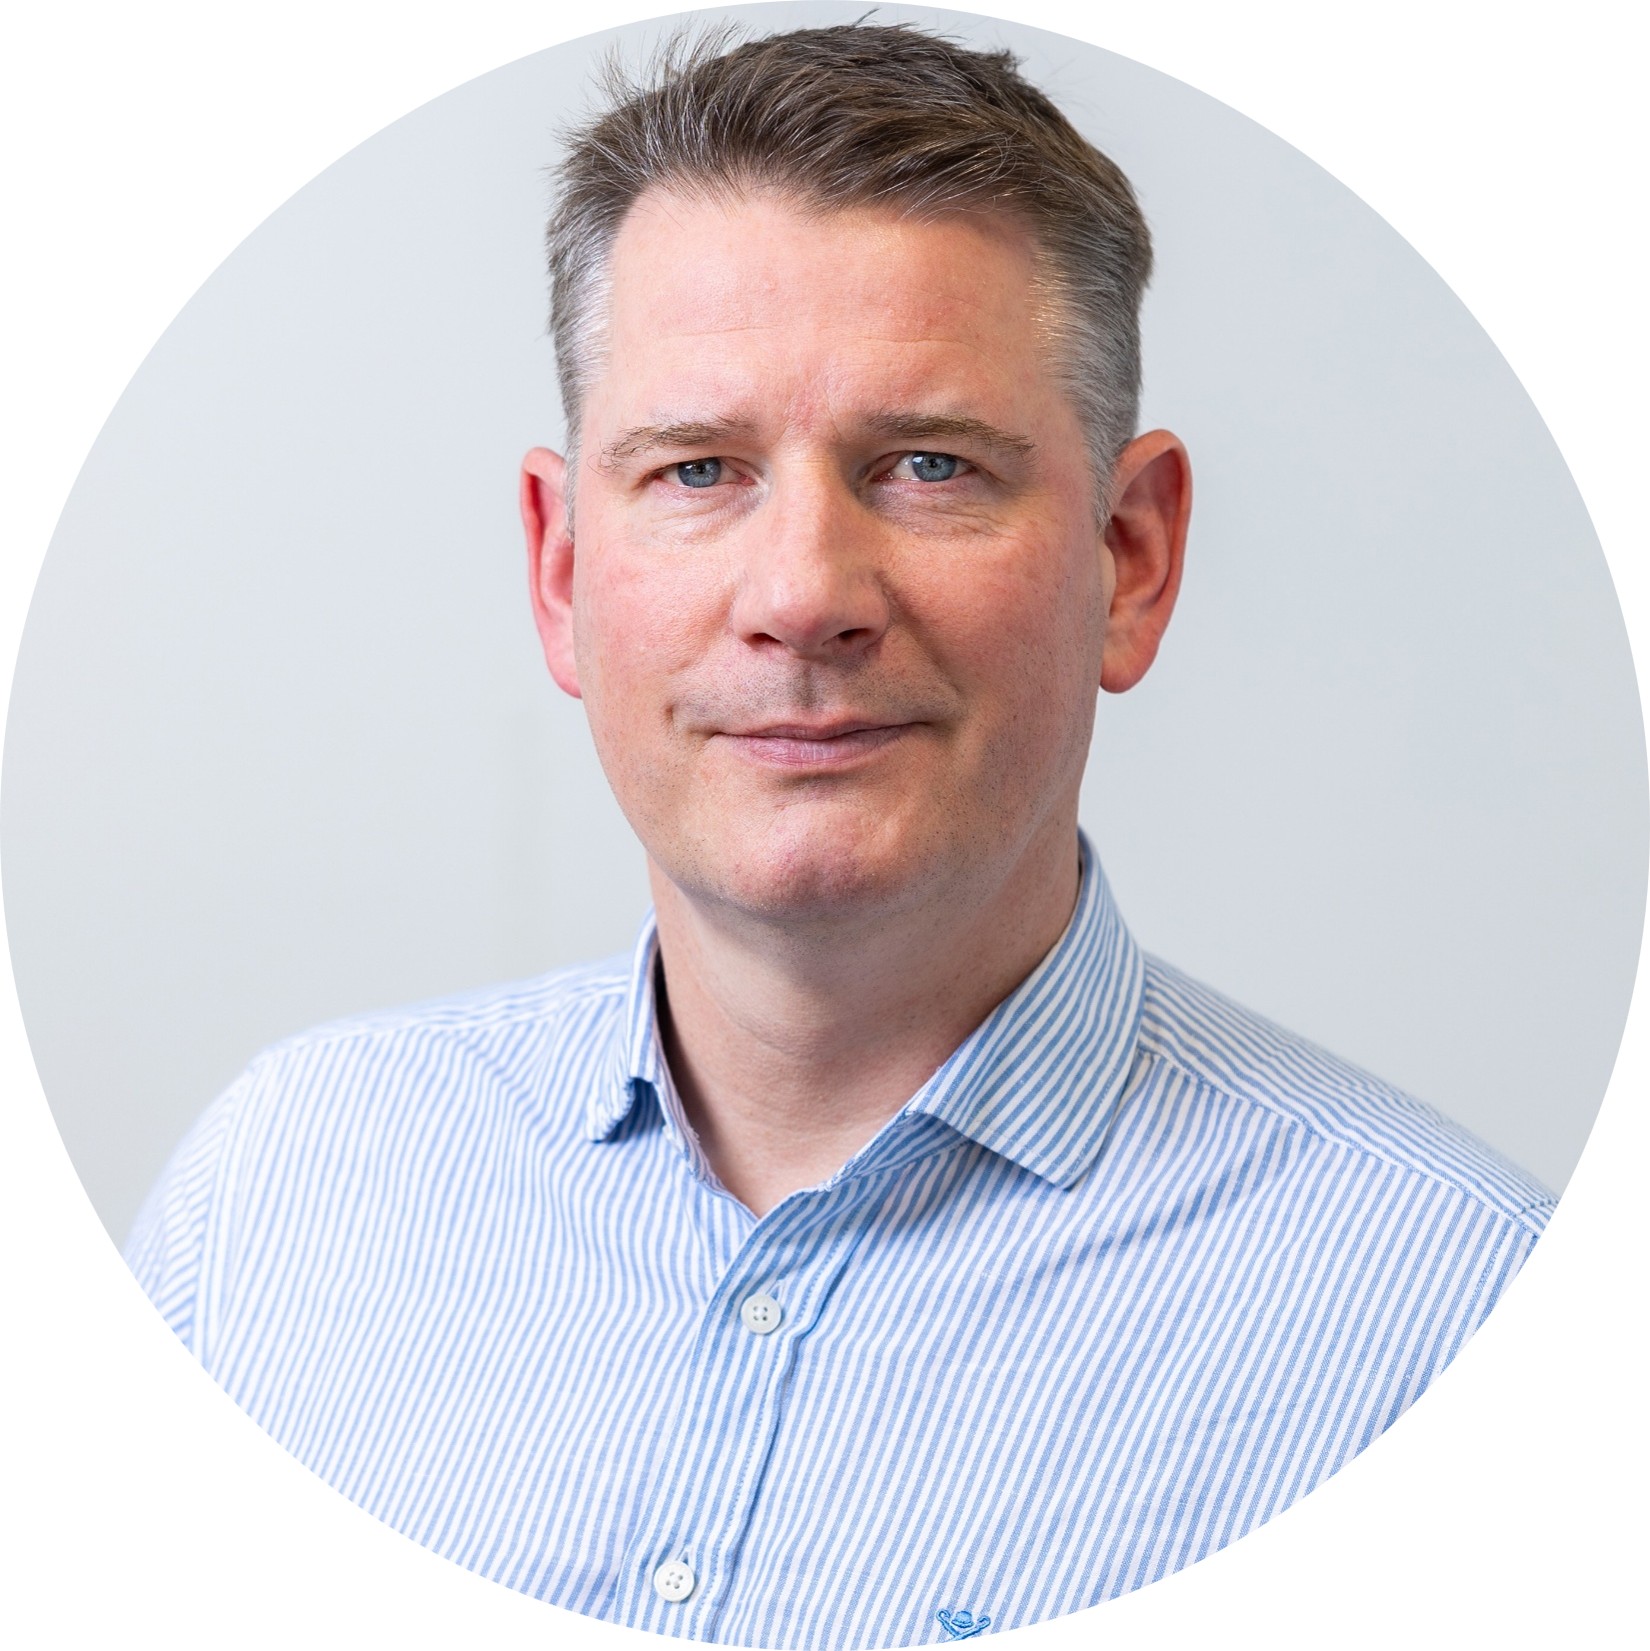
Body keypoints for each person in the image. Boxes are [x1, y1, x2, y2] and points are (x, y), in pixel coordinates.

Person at [126, 22, 1552, 1649]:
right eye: (698, 470)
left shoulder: (1461, 1331)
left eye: (928, 466)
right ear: (560, 569)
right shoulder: (275, 1201)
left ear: (1130, 560)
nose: (802, 594)